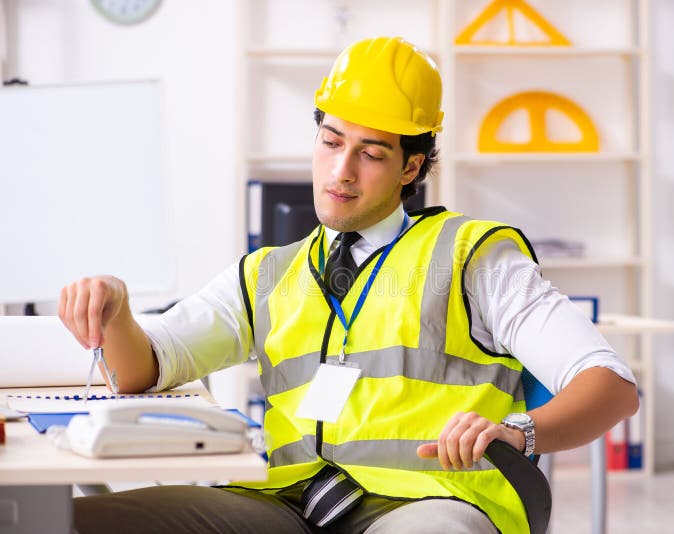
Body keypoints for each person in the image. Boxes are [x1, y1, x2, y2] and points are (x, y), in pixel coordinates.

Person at [60, 36, 639, 534]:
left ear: (411, 168)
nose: (341, 171)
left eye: (372, 153)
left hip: (432, 501)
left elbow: (611, 385)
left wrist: (519, 431)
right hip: (288, 503)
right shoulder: (266, 273)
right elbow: (146, 366)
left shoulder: (472, 257)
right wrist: (116, 313)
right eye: (332, 142)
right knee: (74, 522)